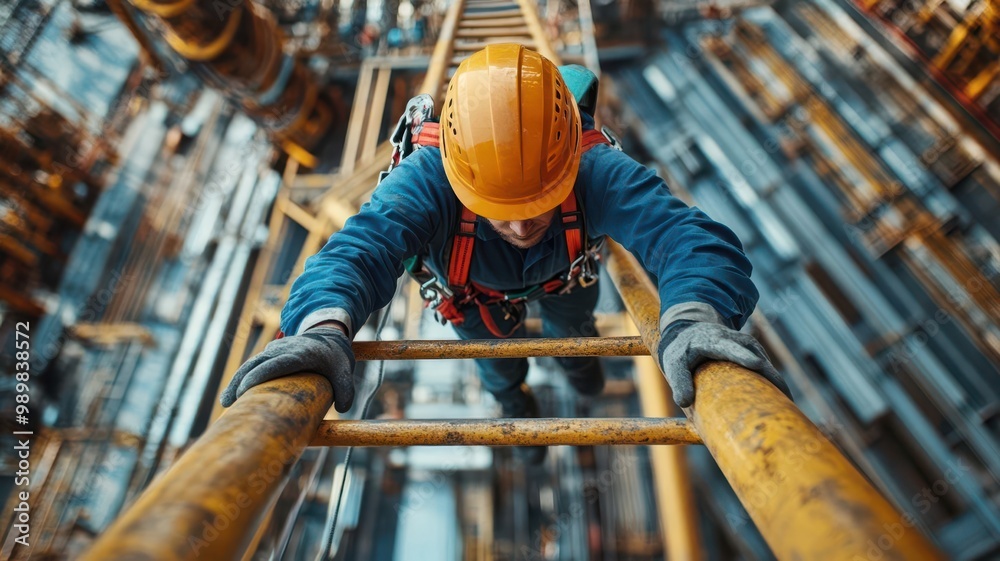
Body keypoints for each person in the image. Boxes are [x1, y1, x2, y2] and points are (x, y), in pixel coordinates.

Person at [220, 44, 790, 460]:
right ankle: (514, 404)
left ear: (567, 162)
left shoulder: (591, 165)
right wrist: (323, 327)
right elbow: (360, 249)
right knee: (496, 361)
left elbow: (685, 237)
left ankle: (577, 363)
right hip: (475, 297)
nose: (520, 225)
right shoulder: (429, 177)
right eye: (499, 206)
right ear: (459, 177)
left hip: (566, 277)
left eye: (539, 200)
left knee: (574, 326)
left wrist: (693, 317)